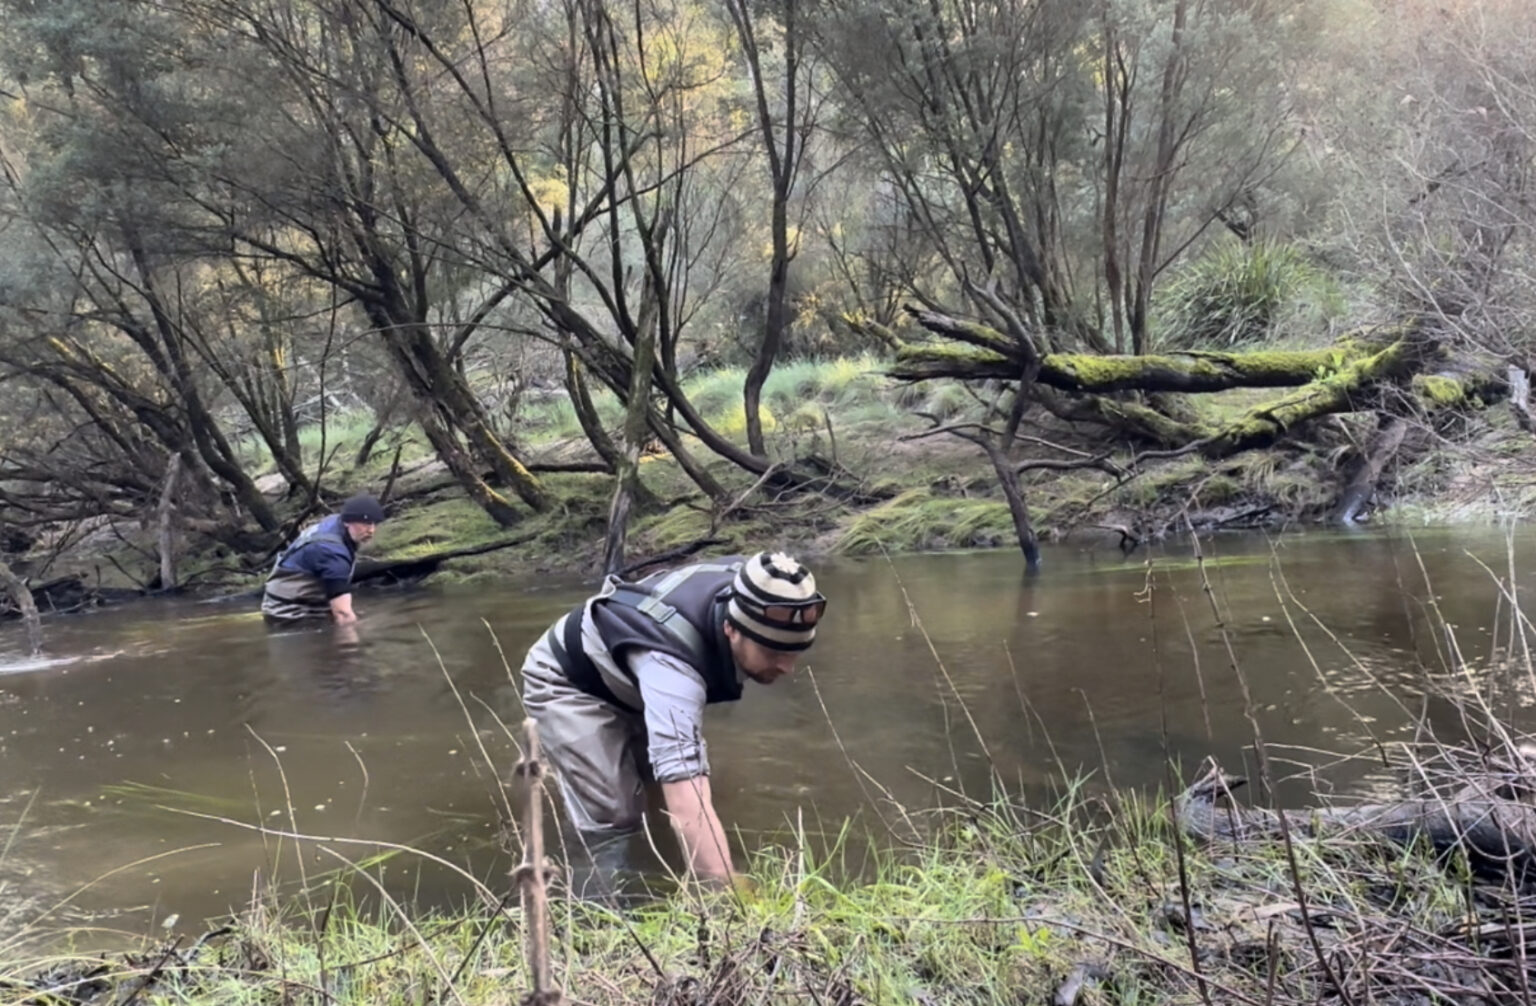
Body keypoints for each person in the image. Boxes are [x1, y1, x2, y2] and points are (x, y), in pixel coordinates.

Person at [520, 551, 826, 890]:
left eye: (795, 651)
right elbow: (686, 802)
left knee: (654, 797)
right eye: (772, 653)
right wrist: (728, 890)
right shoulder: (674, 670)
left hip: (632, 675)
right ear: (731, 629)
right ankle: (592, 914)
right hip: (569, 681)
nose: (787, 667)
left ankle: (656, 866)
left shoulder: (756, 586)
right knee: (614, 814)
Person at [261, 494, 386, 626]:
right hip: (287, 613)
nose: (371, 530)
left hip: (284, 598)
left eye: (374, 523)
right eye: (365, 523)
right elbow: (343, 615)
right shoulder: (333, 553)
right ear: (347, 522)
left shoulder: (334, 523)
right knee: (353, 626)